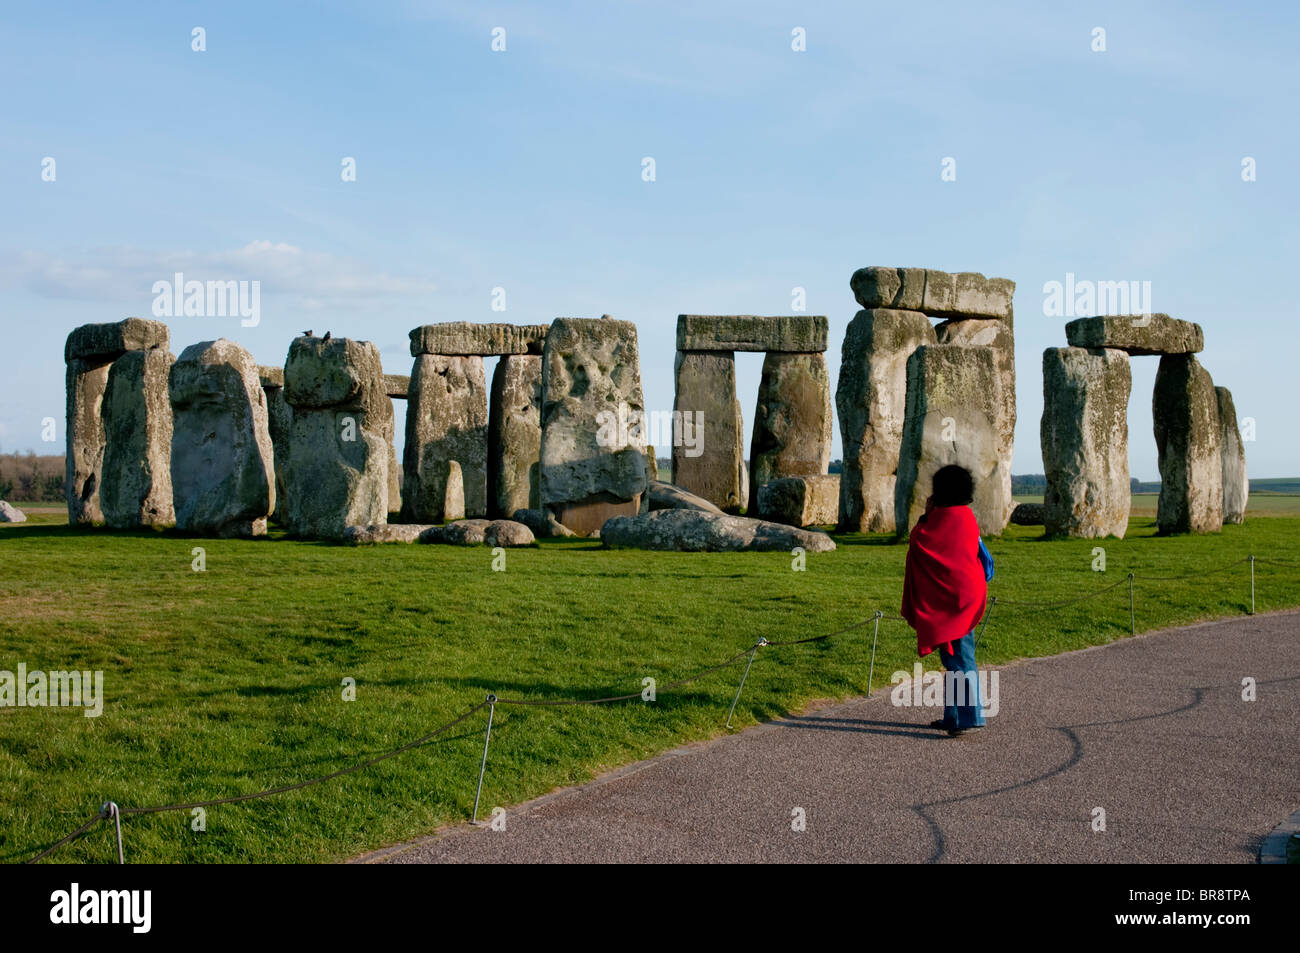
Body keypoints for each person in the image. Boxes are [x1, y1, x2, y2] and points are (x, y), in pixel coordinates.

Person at [900, 465, 995, 737]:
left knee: (958, 658)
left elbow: (918, 542)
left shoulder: (940, 518)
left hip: (949, 601)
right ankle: (953, 717)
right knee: (957, 654)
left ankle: (971, 715)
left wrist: (925, 516)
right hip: (968, 595)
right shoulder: (967, 516)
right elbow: (980, 556)